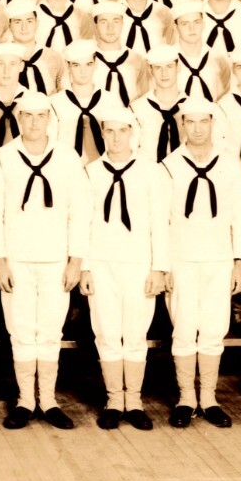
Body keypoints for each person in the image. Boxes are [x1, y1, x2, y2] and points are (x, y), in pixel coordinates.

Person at [0, 92, 92, 430]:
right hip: (17, 258)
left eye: (40, 116)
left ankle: (47, 399)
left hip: (55, 259)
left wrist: (75, 260)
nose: (34, 122)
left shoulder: (67, 157)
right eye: (28, 116)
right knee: (20, 331)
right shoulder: (3, 158)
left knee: (49, 331)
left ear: (49, 119)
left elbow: (80, 211)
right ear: (19, 119)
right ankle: (25, 401)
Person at [159, 96, 241, 429]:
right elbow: (160, 220)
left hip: (219, 258)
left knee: (214, 329)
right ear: (182, 125)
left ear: (213, 124)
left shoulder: (230, 163)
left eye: (204, 122)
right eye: (191, 122)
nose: (198, 129)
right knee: (185, 329)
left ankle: (210, 398)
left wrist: (239, 260)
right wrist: (163, 264)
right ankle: (186, 398)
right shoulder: (169, 166)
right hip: (181, 258)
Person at [80, 105, 170, 430]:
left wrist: (159, 268)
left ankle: (134, 401)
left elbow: (160, 222)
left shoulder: (151, 171)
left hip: (138, 263)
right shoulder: (90, 172)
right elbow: (83, 223)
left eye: (122, 131)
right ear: (102, 134)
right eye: (110, 131)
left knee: (134, 333)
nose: (116, 138)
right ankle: (114, 400)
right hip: (101, 262)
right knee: (106, 332)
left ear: (132, 133)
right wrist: (85, 267)